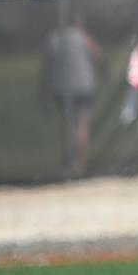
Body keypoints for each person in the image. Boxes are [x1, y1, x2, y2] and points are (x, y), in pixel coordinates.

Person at [41, 16, 100, 176]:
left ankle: (69, 162)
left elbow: (47, 64)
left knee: (67, 126)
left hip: (62, 87)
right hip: (83, 86)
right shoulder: (82, 36)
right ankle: (79, 164)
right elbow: (96, 54)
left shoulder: (53, 38)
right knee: (82, 125)